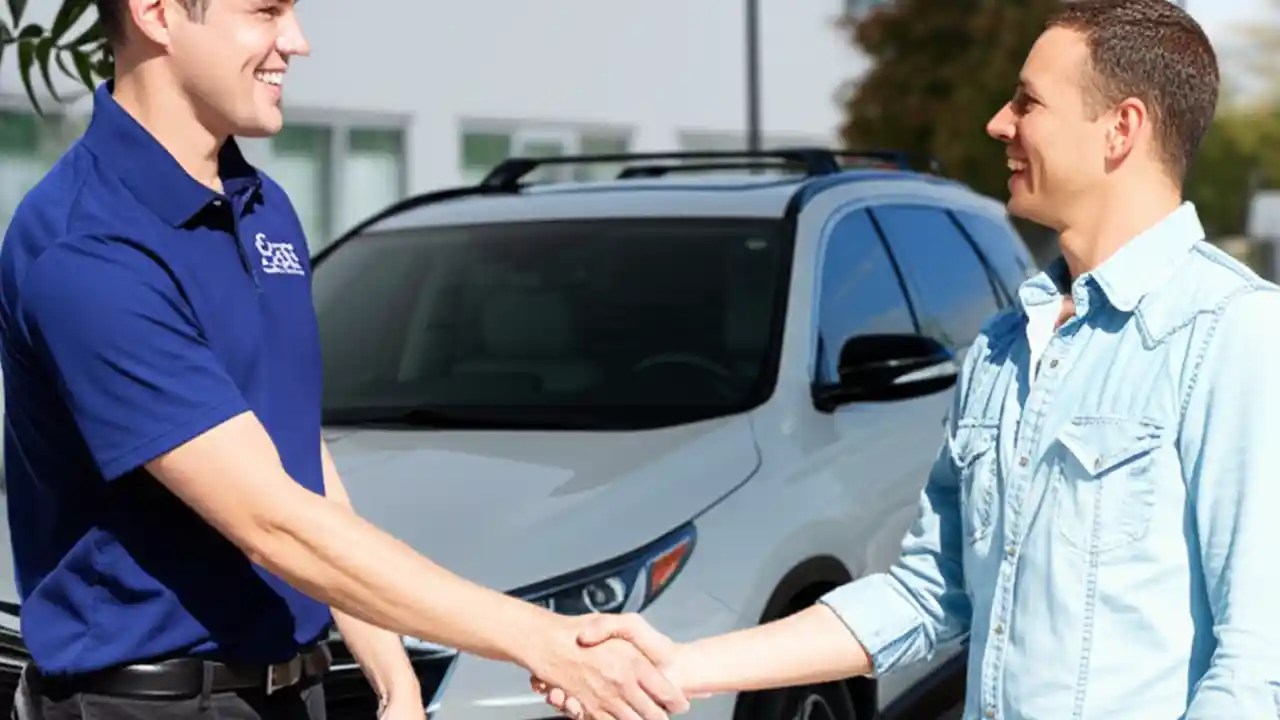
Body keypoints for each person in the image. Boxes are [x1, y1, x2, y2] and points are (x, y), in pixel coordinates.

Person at [535, 0, 1280, 717]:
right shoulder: (1001, 348)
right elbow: (926, 593)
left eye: (1027, 102)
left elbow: (1257, 667)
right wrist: (677, 666)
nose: (999, 123)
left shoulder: (1234, 334)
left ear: (1121, 128)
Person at [0, 1, 690, 719]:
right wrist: (542, 640)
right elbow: (270, 520)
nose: (296, 42)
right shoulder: (88, 248)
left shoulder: (262, 206)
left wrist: (394, 680)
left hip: (294, 690)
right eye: (265, 11)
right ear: (158, 14)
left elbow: (296, 463)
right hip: (147, 705)